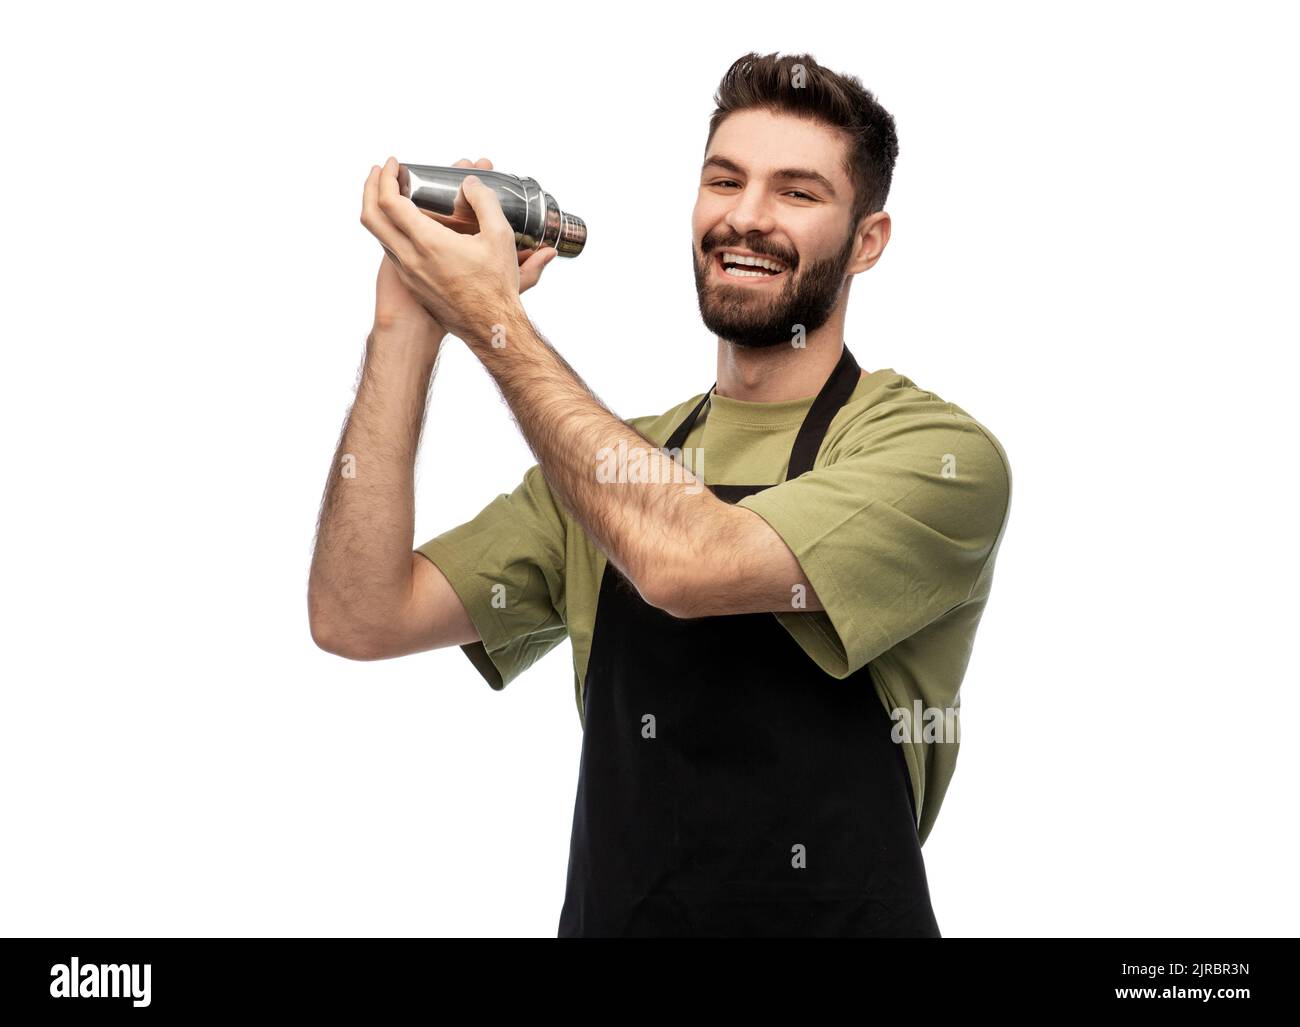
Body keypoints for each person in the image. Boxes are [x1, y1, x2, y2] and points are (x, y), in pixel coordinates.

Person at [309, 51, 1012, 937]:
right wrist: (408, 319)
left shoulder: (934, 455)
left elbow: (684, 561)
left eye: (797, 192)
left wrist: (496, 320)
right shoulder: (603, 470)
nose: (746, 218)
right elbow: (357, 612)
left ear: (867, 240)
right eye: (725, 180)